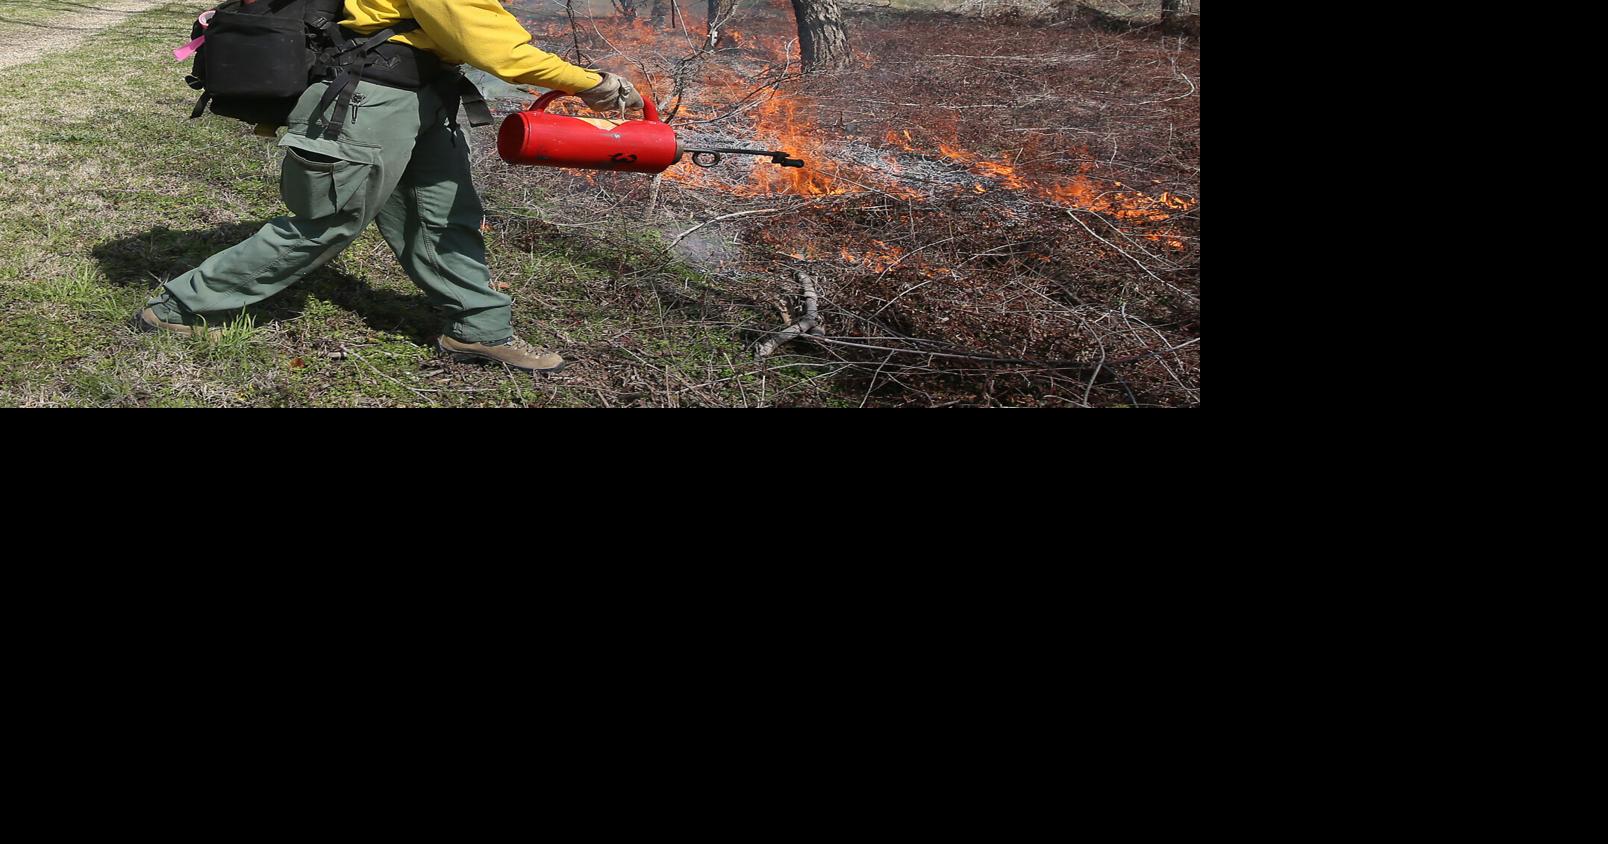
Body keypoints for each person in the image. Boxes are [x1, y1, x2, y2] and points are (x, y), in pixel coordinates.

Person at [135, 0, 643, 372]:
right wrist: (588, 81)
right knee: (328, 220)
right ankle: (181, 306)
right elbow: (490, 46)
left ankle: (479, 329)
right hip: (370, 101)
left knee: (443, 215)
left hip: (424, 95)